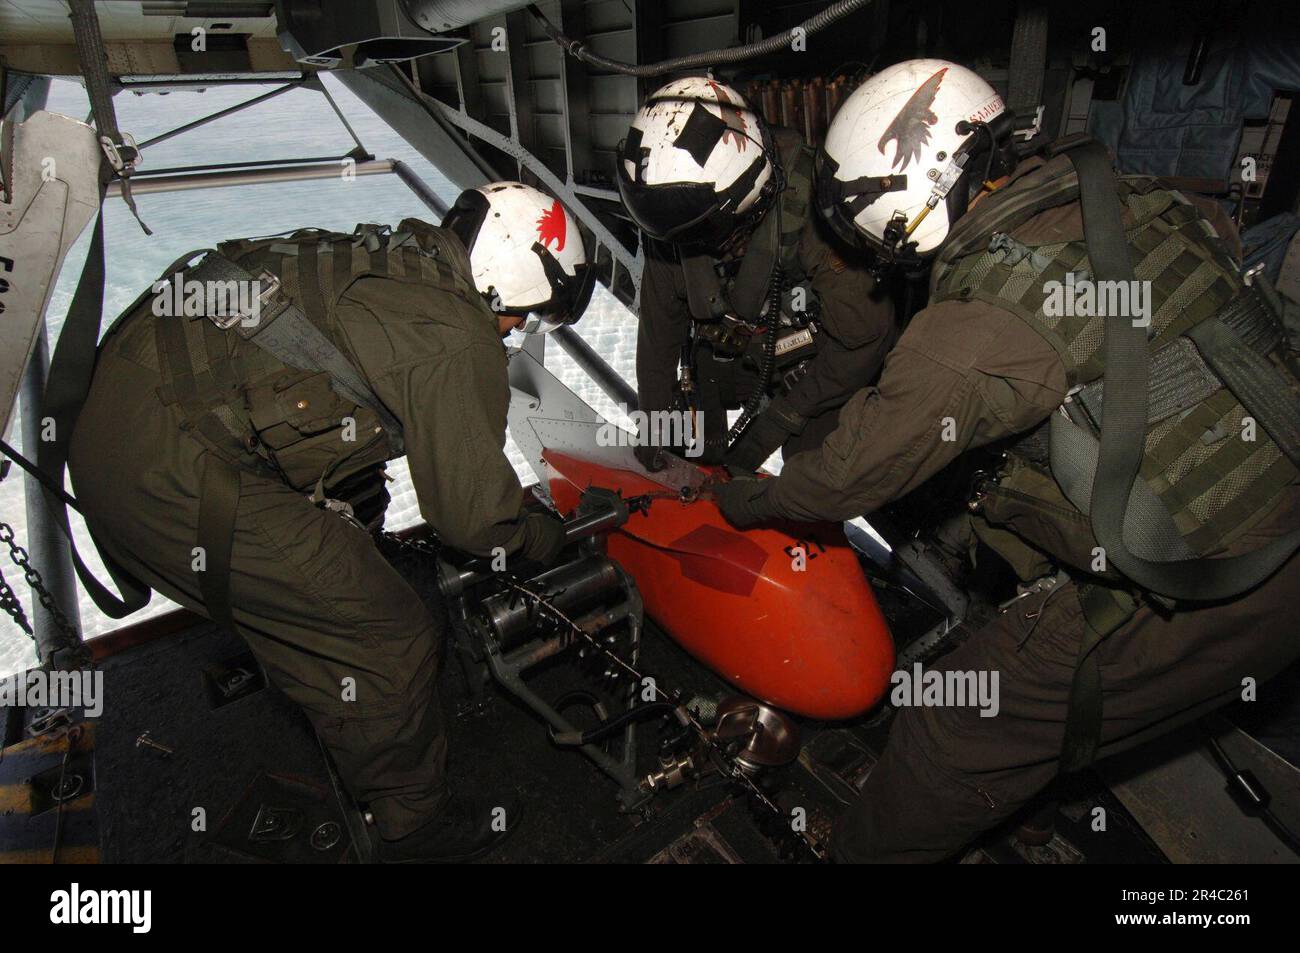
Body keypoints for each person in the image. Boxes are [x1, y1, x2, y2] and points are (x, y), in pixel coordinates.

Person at [714, 58, 1300, 862]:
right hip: (1279, 519)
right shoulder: (1127, 200)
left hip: (1210, 589)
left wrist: (743, 499)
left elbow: (850, 473)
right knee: (1038, 681)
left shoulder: (980, 323)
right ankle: (1019, 803)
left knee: (949, 729)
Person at [67, 182, 591, 863]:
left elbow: (334, 396)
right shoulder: (457, 337)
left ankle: (327, 667)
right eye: (530, 315)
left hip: (130, 406)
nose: (520, 329)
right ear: (511, 279)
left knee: (341, 565)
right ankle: (412, 827)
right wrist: (540, 533)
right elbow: (475, 523)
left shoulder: (403, 261)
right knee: (391, 633)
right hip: (167, 471)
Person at [617, 77, 896, 472]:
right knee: (683, 435)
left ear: (754, 198)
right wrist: (654, 432)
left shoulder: (820, 220)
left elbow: (863, 341)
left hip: (819, 363)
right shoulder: (672, 223)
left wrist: (774, 426)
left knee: (812, 460)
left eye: (703, 234)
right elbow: (659, 341)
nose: (692, 246)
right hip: (734, 357)